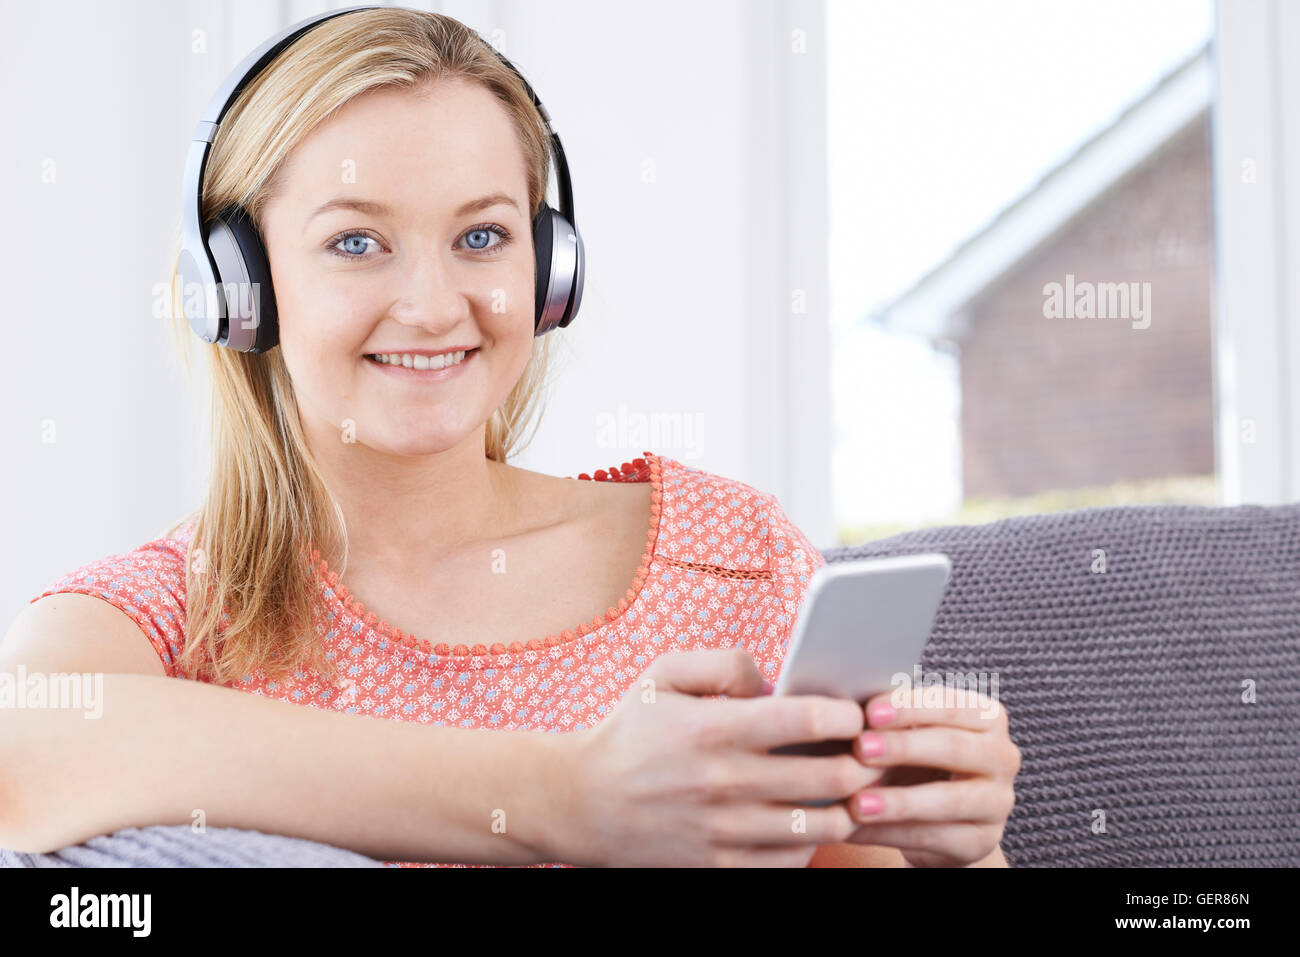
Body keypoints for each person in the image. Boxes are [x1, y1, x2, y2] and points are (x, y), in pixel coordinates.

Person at [0, 7, 1018, 868]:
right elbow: (24, 747)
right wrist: (574, 795)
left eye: (481, 236)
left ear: (548, 270)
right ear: (240, 287)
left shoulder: (729, 557)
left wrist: (952, 852)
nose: (433, 305)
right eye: (355, 241)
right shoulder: (175, 610)